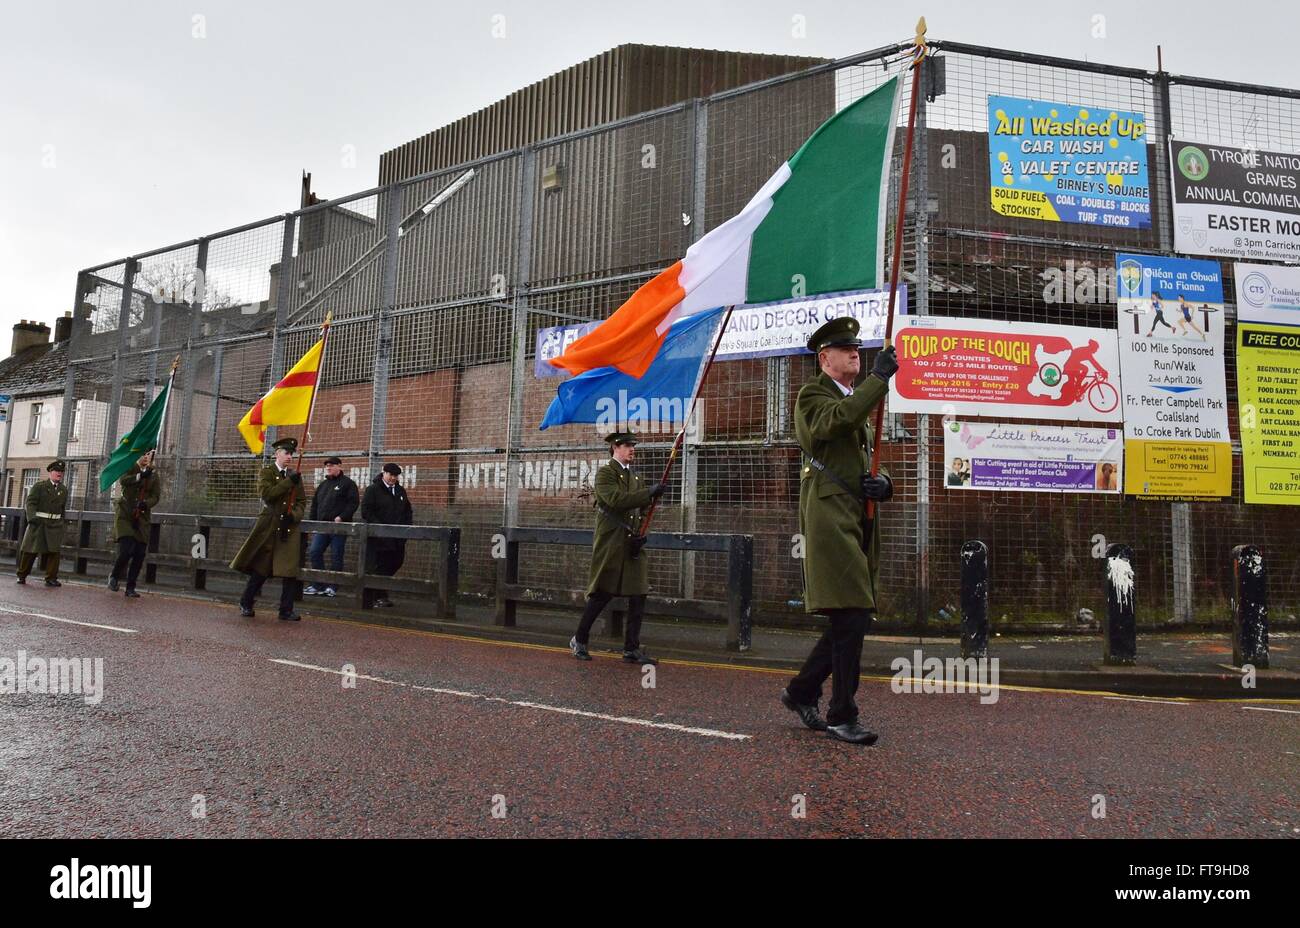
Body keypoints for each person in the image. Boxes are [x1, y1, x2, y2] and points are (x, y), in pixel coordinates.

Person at [781, 317, 897, 746]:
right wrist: (878, 381)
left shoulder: (855, 400)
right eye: (845, 349)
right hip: (829, 515)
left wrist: (884, 483)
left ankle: (800, 691)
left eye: (857, 347)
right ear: (824, 358)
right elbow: (834, 425)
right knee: (852, 613)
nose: (856, 353)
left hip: (858, 513)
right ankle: (842, 713)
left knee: (850, 617)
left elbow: (867, 456)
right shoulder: (814, 395)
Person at [569, 432, 667, 665]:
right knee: (602, 593)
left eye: (633, 446)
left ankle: (631, 648)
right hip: (612, 541)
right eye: (627, 445)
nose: (632, 449)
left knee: (638, 593)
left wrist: (642, 532)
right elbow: (616, 500)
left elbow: (642, 509)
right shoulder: (605, 474)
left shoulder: (635, 476)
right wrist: (648, 493)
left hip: (632, 542)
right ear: (615, 447)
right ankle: (579, 639)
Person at [230, 437, 308, 620]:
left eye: (291, 454)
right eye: (286, 453)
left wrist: (294, 515)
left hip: (287, 527)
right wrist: (289, 482)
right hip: (269, 525)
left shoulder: (294, 475)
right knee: (261, 568)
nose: (289, 456)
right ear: (277, 454)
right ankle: (246, 602)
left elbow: (302, 501)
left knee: (289, 570)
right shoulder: (267, 472)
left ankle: (286, 609)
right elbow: (268, 494)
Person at [304, 456, 359, 597]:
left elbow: (353, 503)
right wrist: (313, 523)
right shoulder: (323, 485)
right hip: (322, 527)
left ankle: (333, 586)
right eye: (327, 465)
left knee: (336, 555)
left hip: (339, 527)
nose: (328, 467)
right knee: (315, 552)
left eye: (332, 465)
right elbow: (315, 505)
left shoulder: (348, 484)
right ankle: (318, 584)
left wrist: (342, 517)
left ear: (339, 466)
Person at [108, 453, 161, 598]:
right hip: (125, 513)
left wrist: (146, 504)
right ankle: (114, 575)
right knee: (126, 550)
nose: (145, 457)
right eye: (143, 454)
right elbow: (124, 481)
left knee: (139, 553)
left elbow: (156, 496)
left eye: (149, 455)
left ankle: (130, 587)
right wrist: (140, 476)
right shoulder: (130, 466)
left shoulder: (154, 475)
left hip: (142, 516)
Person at [361, 463, 412, 608]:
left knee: (396, 562)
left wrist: (407, 527)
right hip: (379, 537)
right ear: (384, 473)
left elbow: (407, 510)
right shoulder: (373, 490)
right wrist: (380, 528)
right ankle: (378, 596)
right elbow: (366, 511)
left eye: (395, 476)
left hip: (397, 537)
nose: (393, 478)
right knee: (380, 565)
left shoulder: (400, 491)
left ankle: (377, 593)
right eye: (390, 475)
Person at [17, 460, 70, 587]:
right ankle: (22, 575)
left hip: (55, 524)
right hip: (39, 523)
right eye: (57, 471)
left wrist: (62, 522)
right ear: (51, 472)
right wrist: (32, 518)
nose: (59, 474)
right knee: (30, 551)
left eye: (61, 472)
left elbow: (62, 508)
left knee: (54, 552)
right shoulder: (39, 486)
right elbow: (30, 503)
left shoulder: (63, 489)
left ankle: (51, 578)